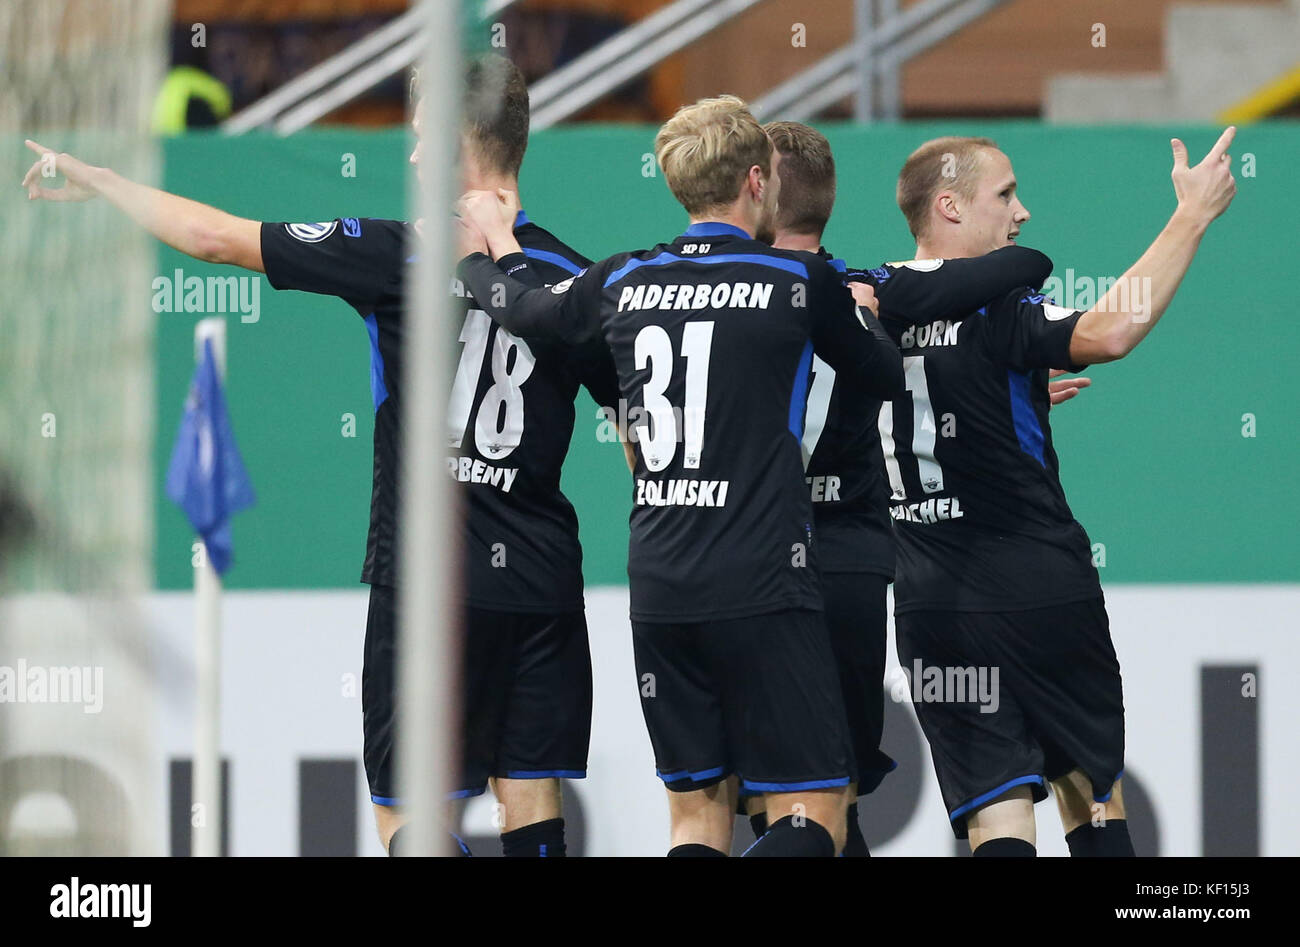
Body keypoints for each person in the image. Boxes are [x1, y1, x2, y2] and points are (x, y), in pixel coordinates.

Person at [22, 53, 619, 858]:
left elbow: (214, 238)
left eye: (417, 139)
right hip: (542, 579)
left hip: (429, 586)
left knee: (407, 814)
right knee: (533, 798)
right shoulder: (575, 279)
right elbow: (637, 425)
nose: (409, 156)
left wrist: (104, 181)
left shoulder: (397, 253)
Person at [455, 95, 902, 856]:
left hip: (661, 580)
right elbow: (882, 373)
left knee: (697, 815)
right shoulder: (797, 280)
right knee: (817, 807)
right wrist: (866, 312)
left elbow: (527, 311)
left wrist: (485, 248)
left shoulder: (623, 278)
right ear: (757, 183)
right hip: (765, 573)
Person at [873, 129, 1237, 855]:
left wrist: (1007, 398)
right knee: (1090, 793)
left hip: (929, 603)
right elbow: (1109, 330)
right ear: (949, 205)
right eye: (1004, 194)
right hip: (1036, 588)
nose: (1023, 211)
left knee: (996, 815)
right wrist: (1190, 217)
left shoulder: (867, 302)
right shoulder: (998, 303)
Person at [751, 120, 1084, 855]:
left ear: (758, 193)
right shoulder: (855, 291)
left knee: (750, 802)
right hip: (854, 566)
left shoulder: (732, 297)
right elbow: (1018, 268)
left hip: (741, 556)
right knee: (830, 795)